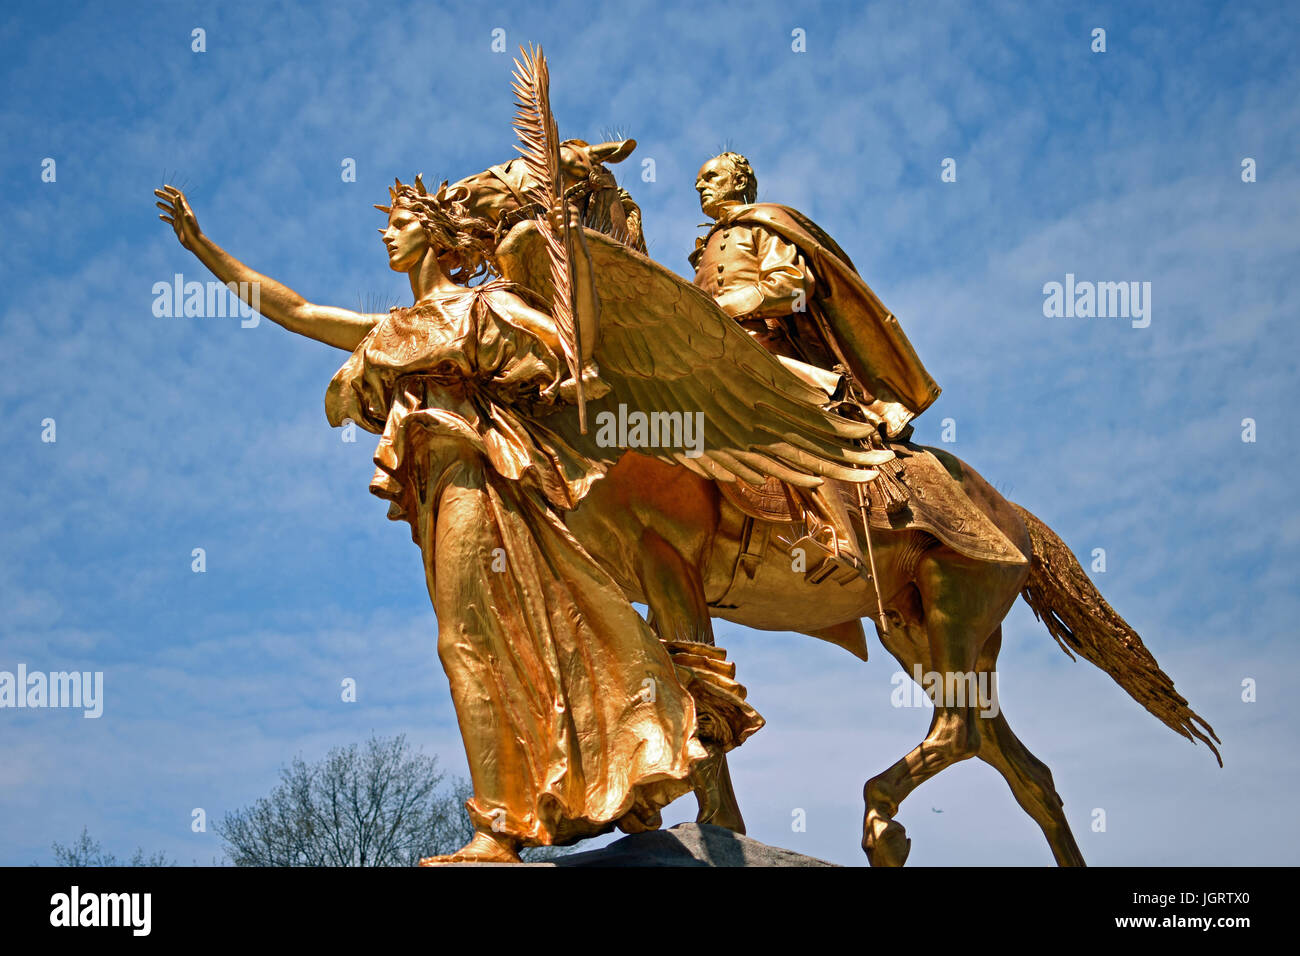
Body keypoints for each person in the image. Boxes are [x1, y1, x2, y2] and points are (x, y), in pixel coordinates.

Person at [154, 177, 711, 863]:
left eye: (403, 221)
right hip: (439, 496)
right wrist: (203, 247)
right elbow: (296, 311)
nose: (387, 234)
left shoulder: (484, 307)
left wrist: (570, 257)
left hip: (480, 483)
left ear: (441, 237)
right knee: (502, 643)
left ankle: (499, 829)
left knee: (465, 643)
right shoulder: (394, 328)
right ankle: (588, 789)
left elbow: (570, 355)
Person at [689, 151, 942, 582]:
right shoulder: (706, 249)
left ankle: (838, 537)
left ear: (739, 182)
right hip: (718, 352)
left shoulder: (763, 224)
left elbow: (792, 285)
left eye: (711, 176)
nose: (700, 185)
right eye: (699, 180)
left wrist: (726, 306)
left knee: (787, 414)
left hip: (766, 348)